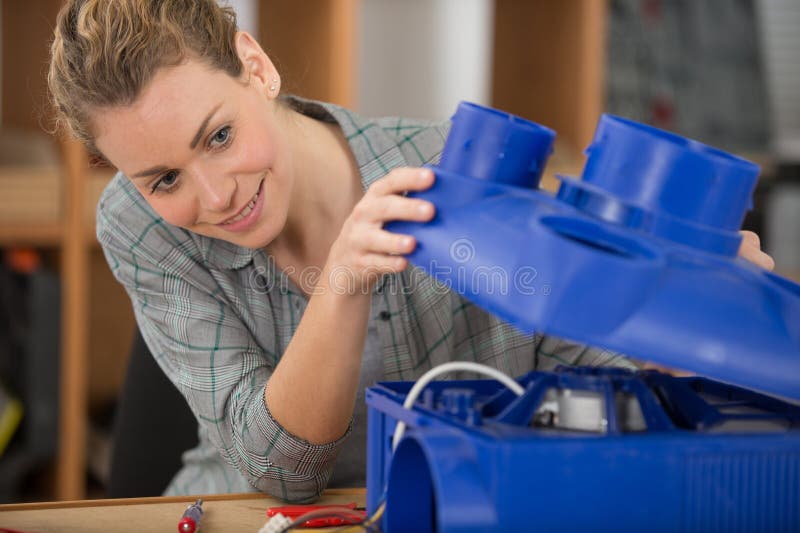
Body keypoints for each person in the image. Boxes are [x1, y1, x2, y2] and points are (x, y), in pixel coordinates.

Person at [47, 0, 775, 503]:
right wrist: (343, 280)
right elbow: (277, 472)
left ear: (256, 66)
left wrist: (669, 341)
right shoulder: (138, 224)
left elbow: (581, 381)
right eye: (164, 178)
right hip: (243, 509)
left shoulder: (449, 175)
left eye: (220, 136)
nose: (214, 196)